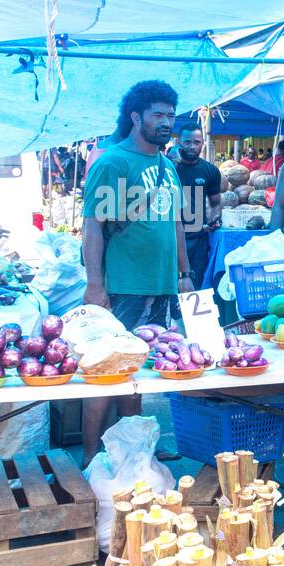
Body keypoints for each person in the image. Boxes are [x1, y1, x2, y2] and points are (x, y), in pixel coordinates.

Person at [80, 80, 193, 461]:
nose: (166, 122)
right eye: (158, 115)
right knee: (105, 374)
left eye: (170, 116)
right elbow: (93, 223)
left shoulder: (166, 166)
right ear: (135, 117)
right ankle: (91, 458)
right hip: (123, 286)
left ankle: (132, 451)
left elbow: (176, 222)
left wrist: (184, 273)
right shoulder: (113, 162)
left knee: (137, 372)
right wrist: (95, 284)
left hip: (160, 285)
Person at [172, 125, 222, 290]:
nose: (192, 146)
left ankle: (189, 316)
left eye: (197, 142)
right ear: (178, 142)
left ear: (203, 143)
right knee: (169, 287)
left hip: (197, 238)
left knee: (195, 286)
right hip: (169, 237)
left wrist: (215, 218)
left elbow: (215, 203)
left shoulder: (211, 171)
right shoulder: (168, 168)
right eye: (187, 142)